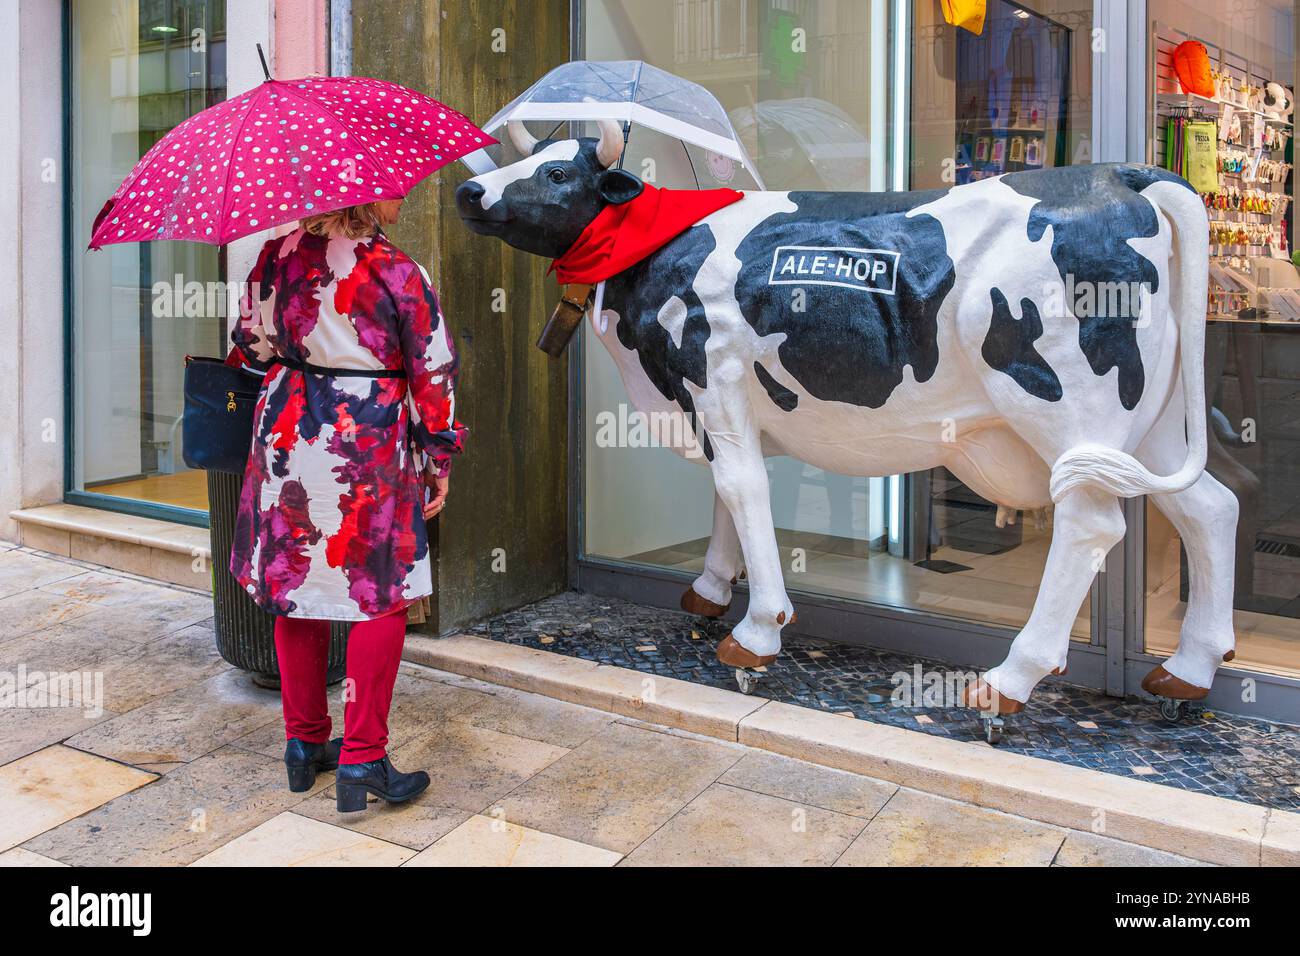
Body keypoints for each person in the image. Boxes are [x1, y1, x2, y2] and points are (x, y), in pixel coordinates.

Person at [226, 198, 465, 813]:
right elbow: (432, 373)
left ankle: (304, 747)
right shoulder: (397, 270)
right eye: (394, 189)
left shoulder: (273, 256)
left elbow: (247, 347)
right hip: (367, 438)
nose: (404, 196)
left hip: (286, 431)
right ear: (368, 195)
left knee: (296, 580)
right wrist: (438, 458)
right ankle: (363, 757)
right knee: (377, 594)